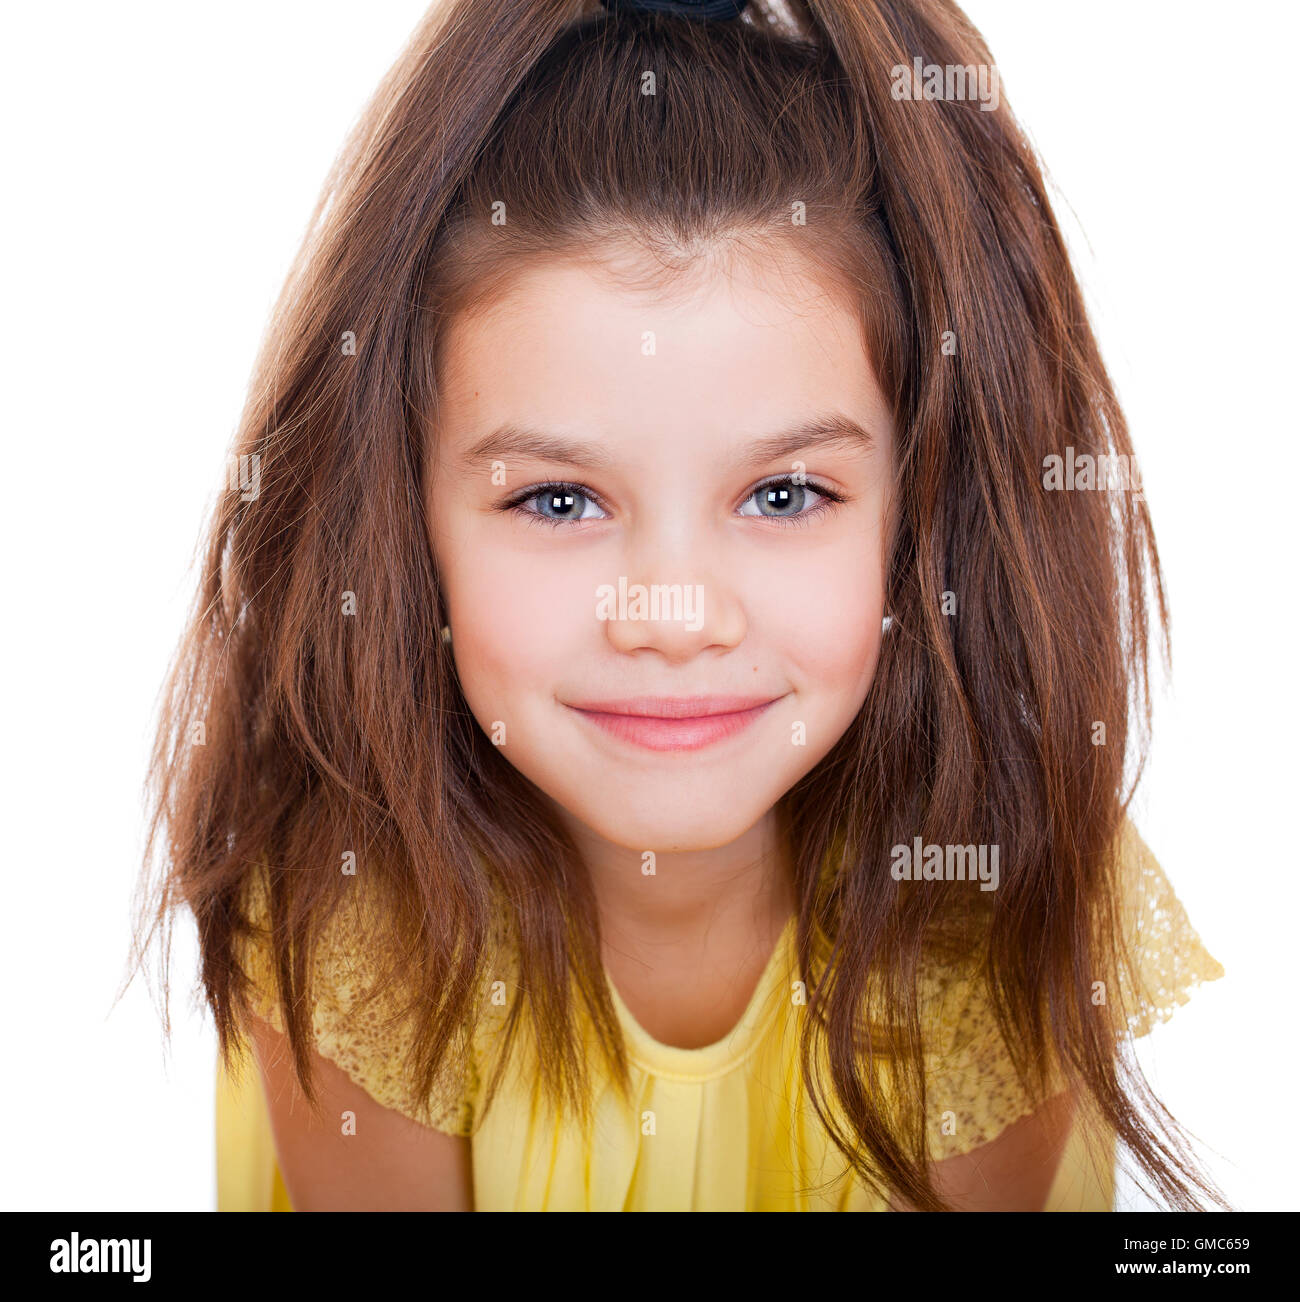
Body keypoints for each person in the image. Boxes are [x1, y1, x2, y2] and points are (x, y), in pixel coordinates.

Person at [135, 0, 1225, 1211]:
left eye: (782, 493)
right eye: (557, 502)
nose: (670, 612)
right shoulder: (357, 909)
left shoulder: (994, 884)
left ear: (919, 515)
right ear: (403, 524)